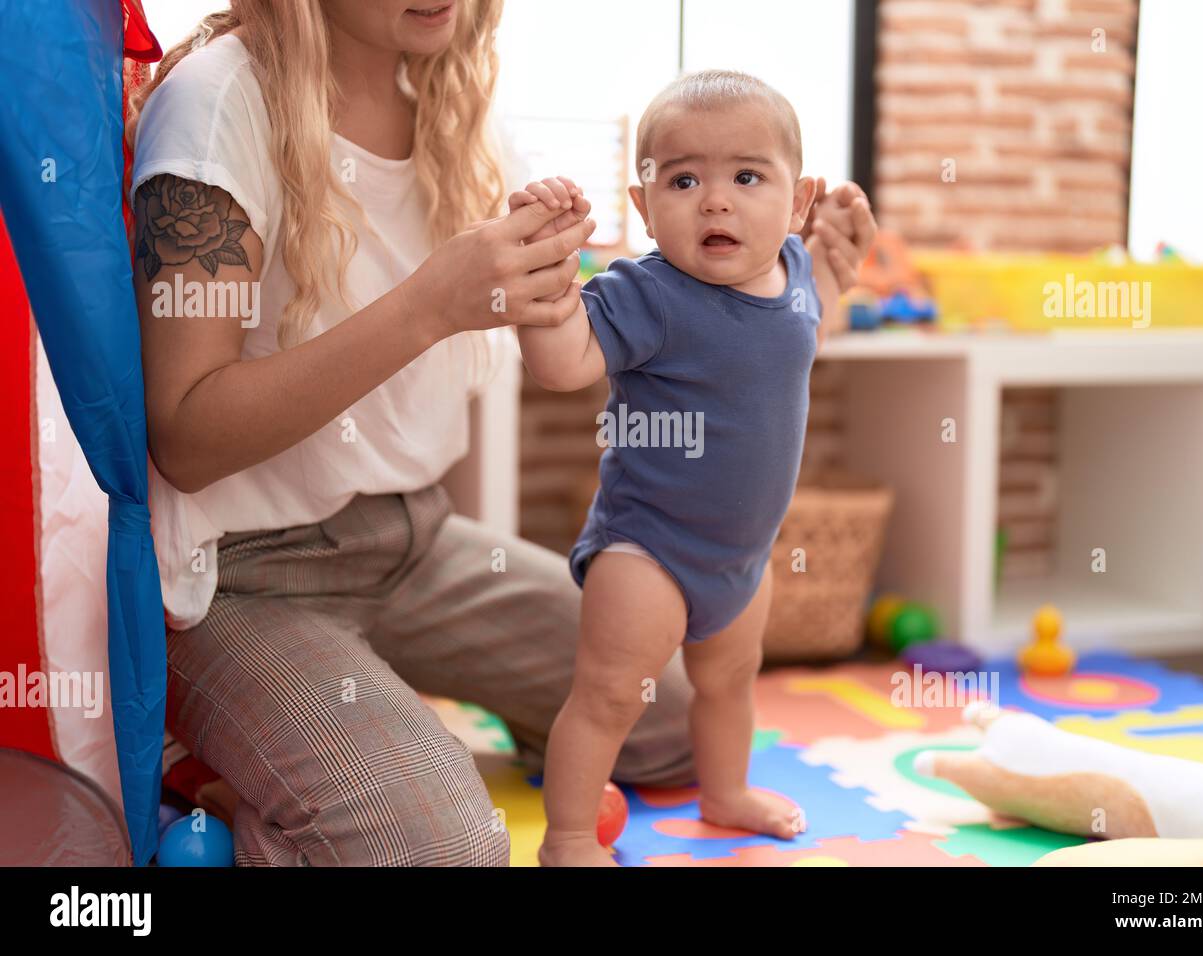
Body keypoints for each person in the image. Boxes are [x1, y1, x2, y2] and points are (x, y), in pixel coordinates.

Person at [127, 2, 867, 866]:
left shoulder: (449, 108)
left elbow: (681, 308)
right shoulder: (220, 103)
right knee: (447, 850)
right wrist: (428, 307)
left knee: (663, 719)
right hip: (239, 574)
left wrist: (792, 273)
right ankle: (227, 769)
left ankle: (355, 737)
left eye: (748, 176)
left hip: (414, 538)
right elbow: (182, 432)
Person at [510, 71, 876, 865]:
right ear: (642, 207)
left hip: (744, 553)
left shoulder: (797, 271)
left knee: (729, 683)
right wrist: (540, 283)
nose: (715, 201)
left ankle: (725, 793)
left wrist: (843, 266)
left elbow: (809, 333)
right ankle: (568, 838)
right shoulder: (649, 293)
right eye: (683, 180)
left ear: (798, 199)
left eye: (747, 176)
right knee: (608, 696)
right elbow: (565, 363)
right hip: (649, 548)